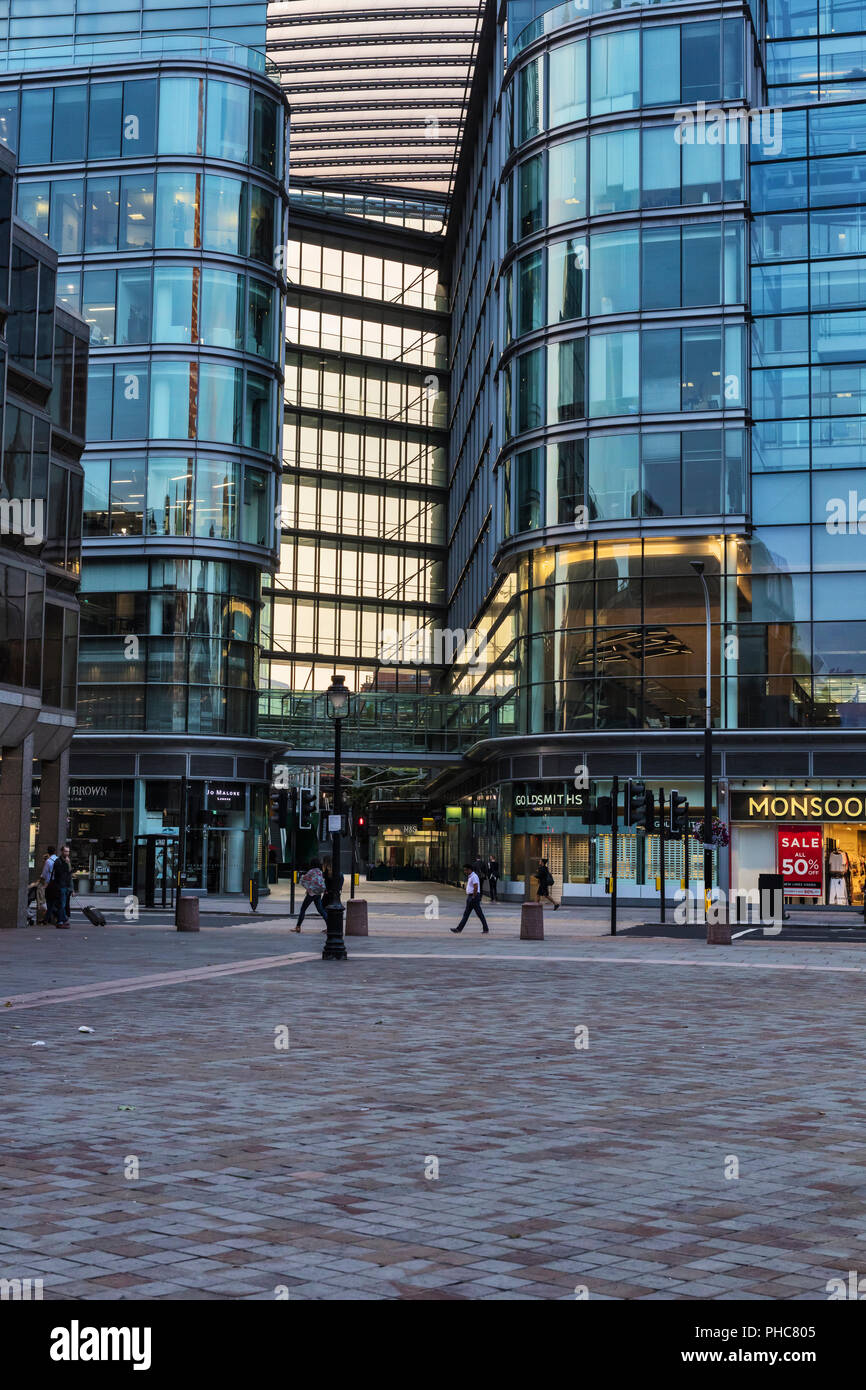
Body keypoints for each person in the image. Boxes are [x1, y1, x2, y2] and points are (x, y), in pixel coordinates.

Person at [451, 862, 490, 934]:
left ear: (469, 870)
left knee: (476, 914)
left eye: (465, 870)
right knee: (470, 914)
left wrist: (473, 896)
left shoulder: (474, 876)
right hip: (472, 896)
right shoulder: (471, 876)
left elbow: (476, 886)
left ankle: (459, 929)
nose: (464, 872)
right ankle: (459, 929)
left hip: (473, 897)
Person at [295, 858, 328, 931]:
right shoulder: (320, 872)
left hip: (311, 894)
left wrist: (308, 887)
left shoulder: (311, 871)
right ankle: (329, 927)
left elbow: (304, 880)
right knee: (321, 910)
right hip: (318, 894)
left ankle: (298, 927)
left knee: (303, 909)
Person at [50, 845, 74, 928]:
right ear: (62, 852)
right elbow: (60, 873)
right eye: (65, 851)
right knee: (62, 904)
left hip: (66, 886)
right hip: (60, 886)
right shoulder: (58, 861)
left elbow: (70, 873)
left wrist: (72, 889)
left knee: (63, 904)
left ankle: (63, 919)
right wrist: (66, 864)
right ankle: (60, 921)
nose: (67, 853)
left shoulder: (67, 861)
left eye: (68, 851)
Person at [37, 846, 56, 924]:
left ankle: (61, 917)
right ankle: (47, 919)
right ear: (54, 851)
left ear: (48, 852)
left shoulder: (48, 862)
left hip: (49, 884)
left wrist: (42, 881)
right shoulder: (57, 859)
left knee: (49, 902)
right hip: (57, 883)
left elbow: (44, 874)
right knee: (53, 902)